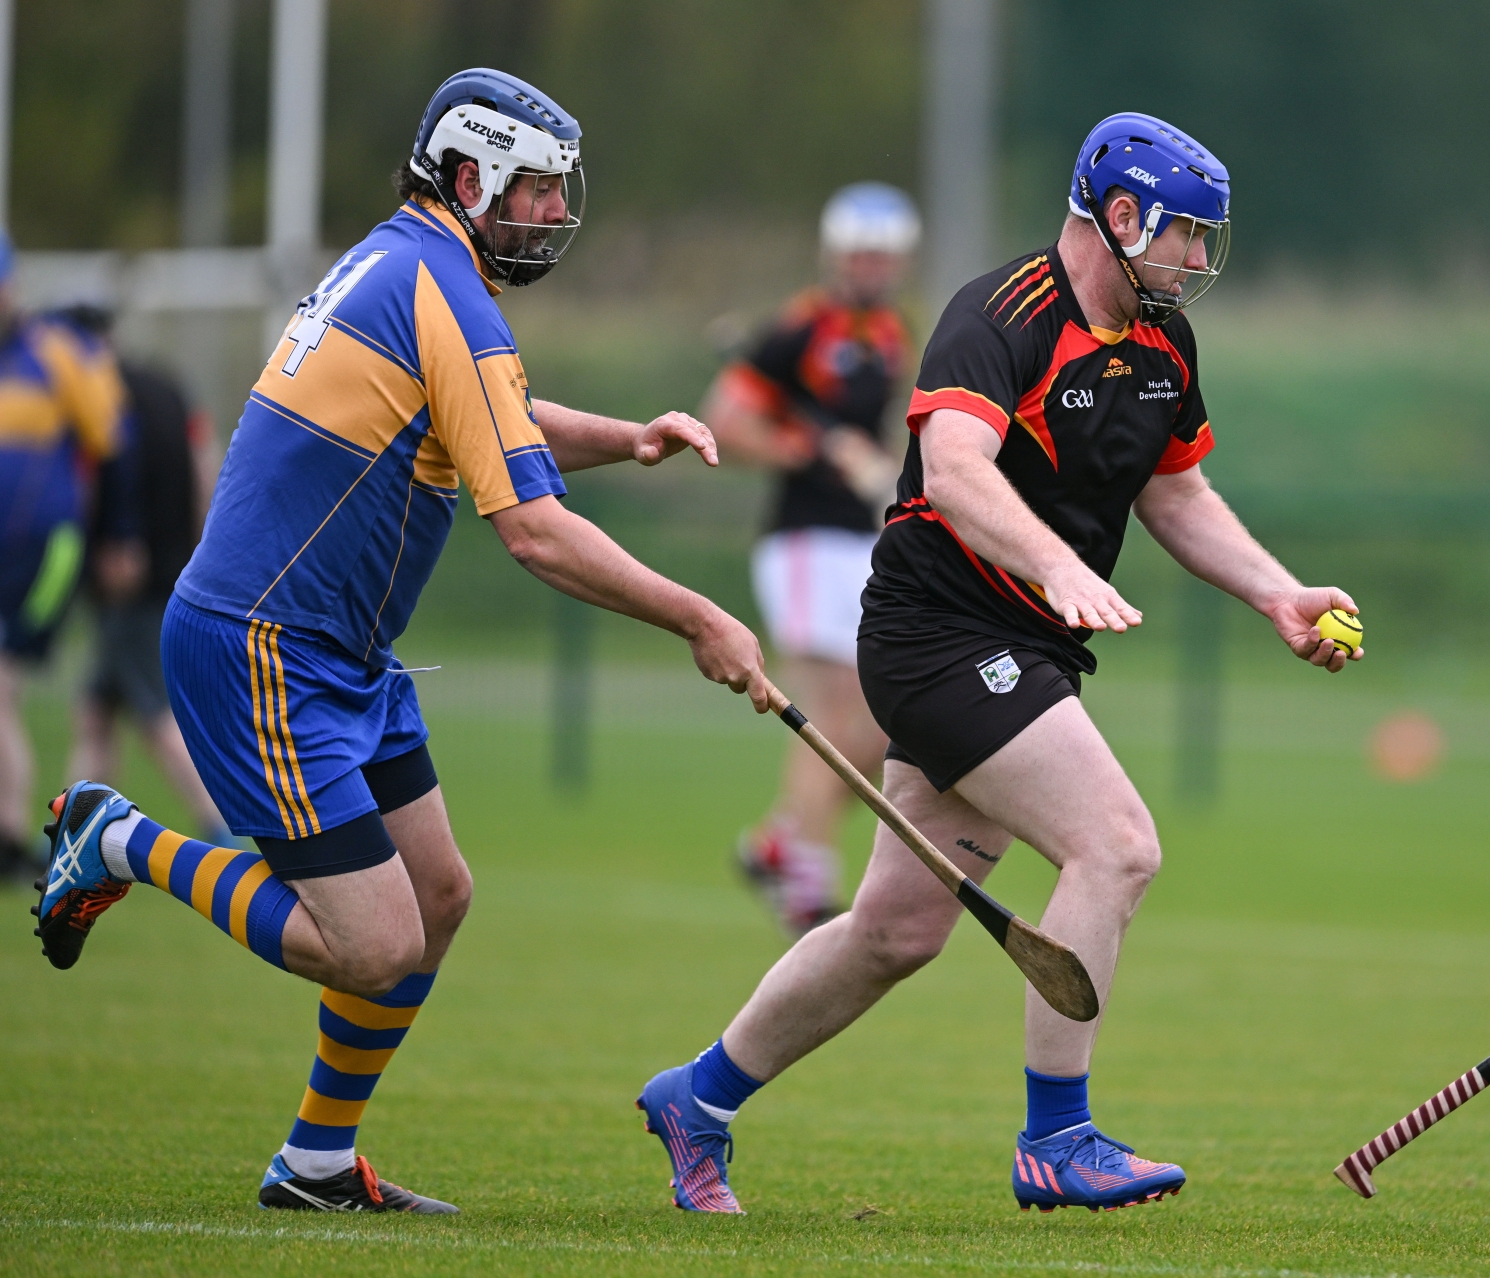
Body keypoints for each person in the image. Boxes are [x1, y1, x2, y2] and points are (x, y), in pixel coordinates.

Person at [31, 68, 768, 1214]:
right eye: (532, 191)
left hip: (342, 658)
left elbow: (493, 415)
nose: (549, 215)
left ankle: (318, 1163)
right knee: (371, 946)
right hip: (262, 648)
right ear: (469, 177)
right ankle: (118, 840)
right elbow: (531, 532)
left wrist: (630, 438)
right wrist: (701, 616)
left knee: (440, 895)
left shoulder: (415, 263)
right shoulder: (440, 286)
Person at [637, 112, 1361, 1215]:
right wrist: (1054, 564)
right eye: (1187, 237)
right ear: (1121, 218)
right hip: (936, 640)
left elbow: (1177, 490)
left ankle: (700, 1097)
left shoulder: (1165, 341)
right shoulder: (1000, 316)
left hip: (1019, 648)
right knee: (1115, 849)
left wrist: (1276, 592)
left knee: (895, 931)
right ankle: (1055, 1141)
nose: (1199, 261)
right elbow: (956, 469)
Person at [703, 182, 917, 934]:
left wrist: (880, 465)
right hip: (800, 545)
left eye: (884, 255)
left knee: (873, 729)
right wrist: (808, 448)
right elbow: (724, 425)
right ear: (837, 254)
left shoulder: (890, 333)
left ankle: (776, 842)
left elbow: (873, 430)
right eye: (860, 253)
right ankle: (807, 885)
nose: (871, 266)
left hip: (861, 545)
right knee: (828, 716)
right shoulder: (796, 330)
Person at [55, 307, 230, 845]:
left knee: (156, 716)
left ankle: (221, 826)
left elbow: (96, 477)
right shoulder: (166, 386)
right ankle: (69, 834)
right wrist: (206, 541)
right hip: (174, 565)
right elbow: (206, 459)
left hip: (125, 577)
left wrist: (116, 544)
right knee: (96, 713)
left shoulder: (98, 397)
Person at [0, 245, 132, 883]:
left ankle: (15, 836)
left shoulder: (55, 353)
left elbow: (111, 443)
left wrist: (118, 538)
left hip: (45, 554)